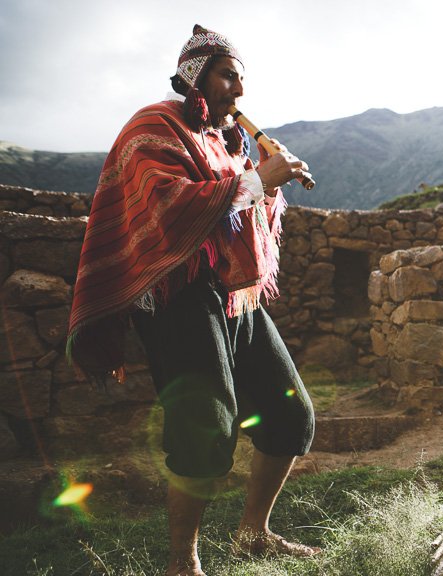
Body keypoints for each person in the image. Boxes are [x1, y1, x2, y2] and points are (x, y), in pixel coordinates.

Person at [67, 25, 319, 576]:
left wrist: (269, 183)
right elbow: (167, 210)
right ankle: (183, 561)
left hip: (234, 295)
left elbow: (242, 222)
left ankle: (253, 534)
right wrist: (255, 180)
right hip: (177, 295)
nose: (239, 91)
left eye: (241, 79)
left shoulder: (227, 142)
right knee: (205, 423)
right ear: (194, 76)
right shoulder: (152, 126)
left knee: (291, 413)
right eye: (229, 76)